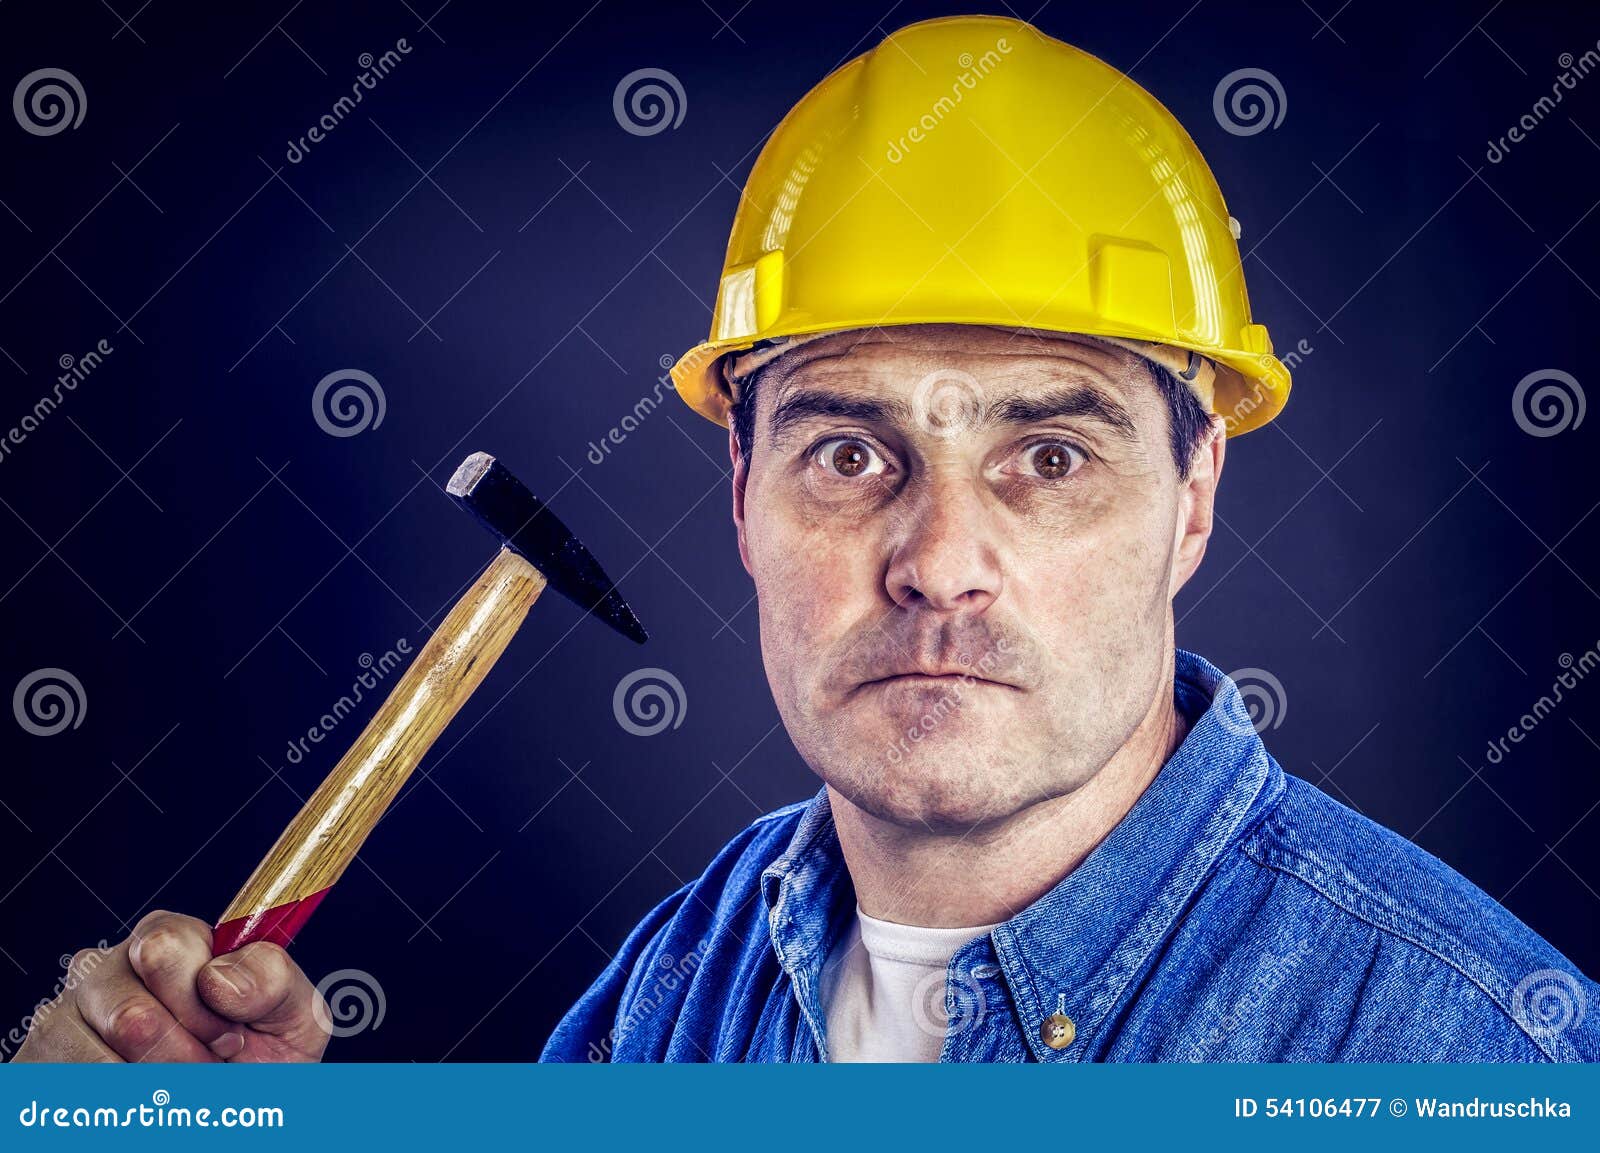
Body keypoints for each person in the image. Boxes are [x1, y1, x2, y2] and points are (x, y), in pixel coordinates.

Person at [13, 15, 1595, 1065]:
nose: (939, 559)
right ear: (741, 492)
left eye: (1049, 455)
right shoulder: (668, 994)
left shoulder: (1469, 1049)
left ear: (1194, 496)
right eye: (850, 452)